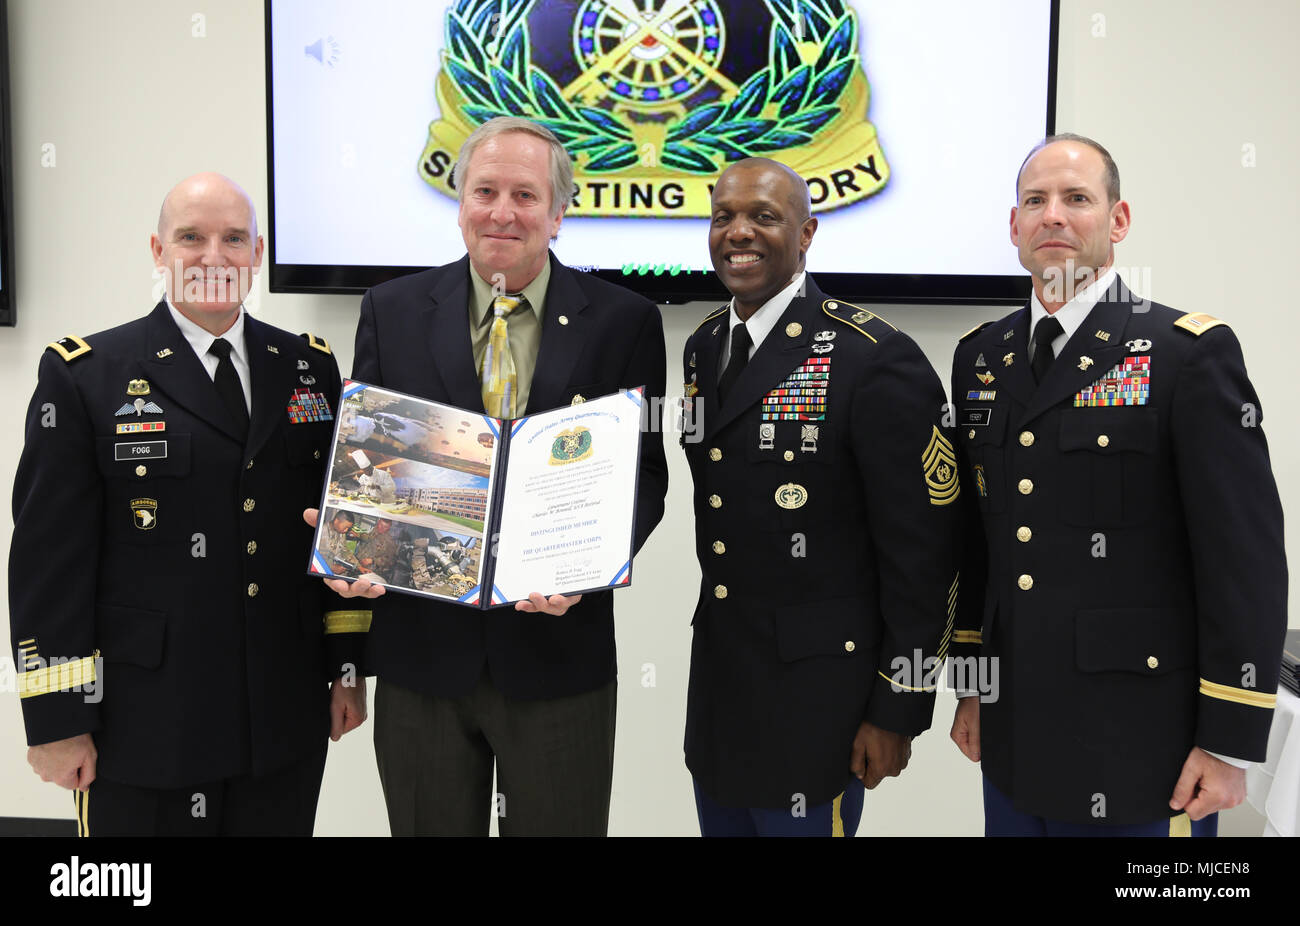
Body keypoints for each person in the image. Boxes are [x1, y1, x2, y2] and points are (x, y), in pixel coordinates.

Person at [329, 116, 669, 836]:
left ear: (558, 212)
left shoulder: (624, 322)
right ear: (459, 202)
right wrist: (351, 537)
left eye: (525, 194)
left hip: (558, 660)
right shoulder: (390, 311)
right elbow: (364, 463)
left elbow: (646, 478)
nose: (502, 212)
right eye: (484, 190)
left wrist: (587, 570)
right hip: (422, 657)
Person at [948, 135, 1287, 836]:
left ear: (1118, 220)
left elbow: (1243, 560)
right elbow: (978, 544)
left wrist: (1228, 741)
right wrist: (974, 687)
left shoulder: (1184, 354)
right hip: (1015, 736)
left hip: (1144, 745)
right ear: (1014, 227)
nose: (1054, 217)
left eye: (1077, 199)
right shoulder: (980, 357)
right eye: (1035, 201)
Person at [10, 173, 368, 836]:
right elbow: (46, 566)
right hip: (144, 724)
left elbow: (336, 528)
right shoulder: (88, 374)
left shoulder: (307, 367)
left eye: (234, 238)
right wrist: (57, 719)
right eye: (191, 238)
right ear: (157, 251)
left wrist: (346, 670)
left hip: (281, 719)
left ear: (257, 253)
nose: (214, 256)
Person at [680, 158, 960, 836]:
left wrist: (901, 704)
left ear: (806, 233)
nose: (738, 232)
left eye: (763, 217)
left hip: (820, 706)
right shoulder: (704, 346)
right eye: (724, 216)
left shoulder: (871, 356)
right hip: (721, 696)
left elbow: (928, 551)